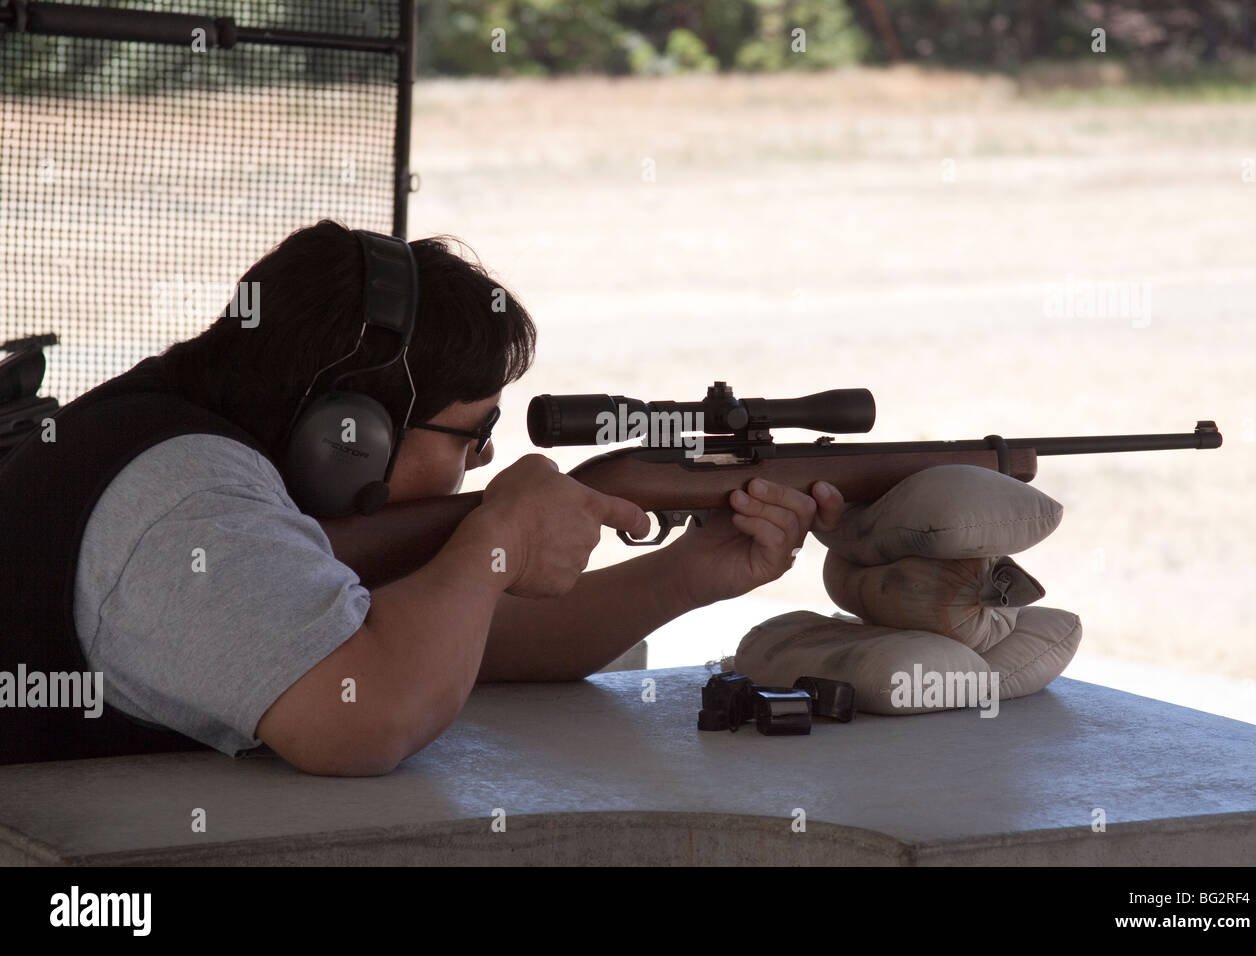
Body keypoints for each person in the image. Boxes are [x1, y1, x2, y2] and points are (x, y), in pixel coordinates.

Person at [8, 219, 842, 775]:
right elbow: (369, 717)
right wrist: (496, 543)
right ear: (351, 433)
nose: (482, 461)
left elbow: (466, 641)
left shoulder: (186, 431)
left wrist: (689, 572)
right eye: (469, 435)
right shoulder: (185, 503)